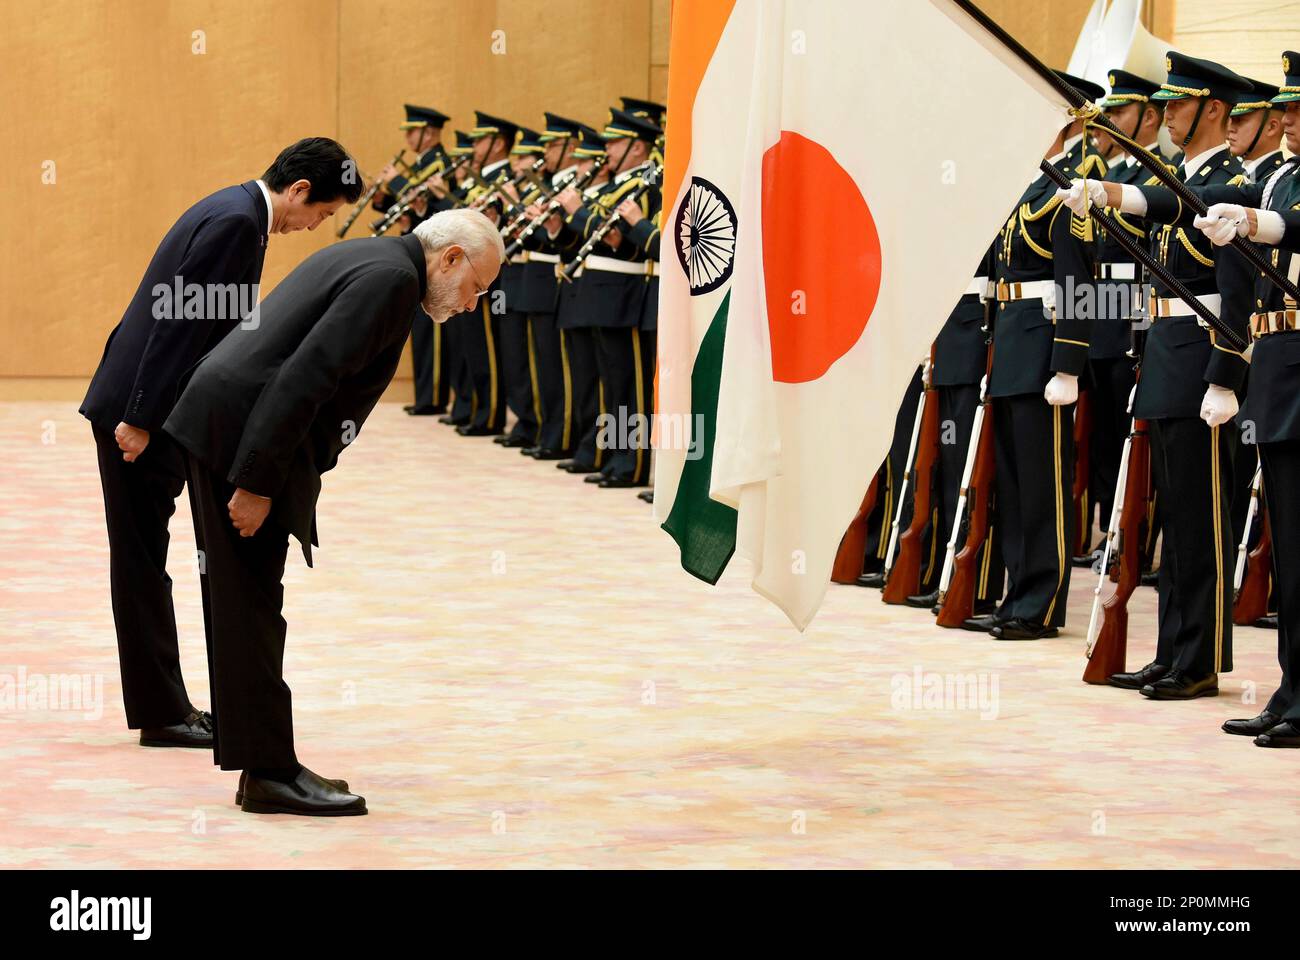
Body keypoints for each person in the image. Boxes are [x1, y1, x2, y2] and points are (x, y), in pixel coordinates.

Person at [162, 209, 503, 815]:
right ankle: (269, 774)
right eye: (478, 286)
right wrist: (257, 482)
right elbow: (304, 377)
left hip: (230, 429)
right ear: (450, 258)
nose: (475, 303)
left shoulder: (375, 258)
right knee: (251, 608)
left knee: (245, 605)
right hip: (239, 443)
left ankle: (261, 768)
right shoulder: (392, 281)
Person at [80, 138, 362, 750]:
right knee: (140, 560)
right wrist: (140, 417)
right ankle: (162, 713)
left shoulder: (236, 211)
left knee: (144, 557)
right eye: (321, 213)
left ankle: (165, 705)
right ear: (300, 191)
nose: (315, 226)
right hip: (140, 414)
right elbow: (176, 323)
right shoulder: (238, 222)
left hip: (144, 404)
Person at [1058, 52, 1251, 697]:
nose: (1168, 111)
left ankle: (1197, 658)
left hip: (1202, 364)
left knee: (1203, 518)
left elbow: (1229, 283)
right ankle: (1172, 650)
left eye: (1180, 102)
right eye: (1165, 102)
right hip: (1166, 357)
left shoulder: (1231, 183)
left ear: (1214, 110)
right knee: (1173, 510)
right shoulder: (1183, 174)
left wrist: (1224, 374)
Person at [971, 71, 1105, 642]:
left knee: (1044, 482)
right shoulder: (1025, 183)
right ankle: (1014, 594)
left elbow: (1079, 281)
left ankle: (1040, 603)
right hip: (1011, 346)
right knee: (1016, 482)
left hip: (1044, 350)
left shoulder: (1071, 187)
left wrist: (1068, 364)